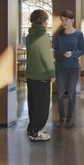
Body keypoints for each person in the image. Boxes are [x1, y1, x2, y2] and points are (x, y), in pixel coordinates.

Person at [24, 9, 55, 142]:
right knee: (42, 105)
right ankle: (36, 132)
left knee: (33, 103)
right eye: (46, 20)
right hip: (41, 74)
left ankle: (32, 127)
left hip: (31, 74)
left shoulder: (30, 34)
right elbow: (46, 57)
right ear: (43, 21)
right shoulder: (42, 36)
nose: (47, 22)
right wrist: (52, 73)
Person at [53, 10, 84, 127]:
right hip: (60, 67)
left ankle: (69, 118)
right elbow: (54, 51)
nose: (63, 22)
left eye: (66, 20)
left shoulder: (79, 34)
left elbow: (83, 50)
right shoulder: (58, 34)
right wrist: (60, 55)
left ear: (72, 20)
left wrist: (72, 54)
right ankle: (61, 117)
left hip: (73, 68)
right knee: (60, 94)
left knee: (71, 94)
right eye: (62, 20)